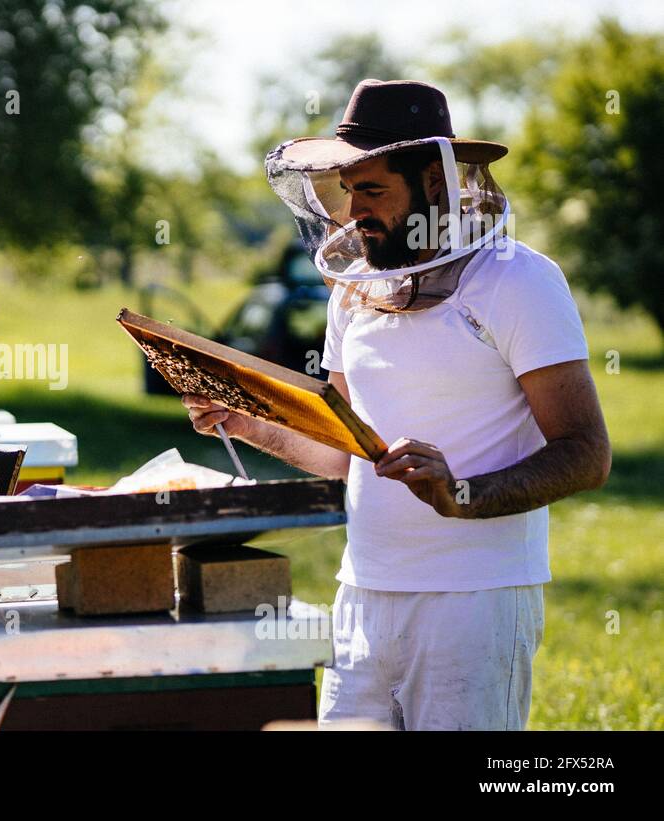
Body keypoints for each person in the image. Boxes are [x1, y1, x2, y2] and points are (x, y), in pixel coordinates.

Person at [185, 79, 611, 730]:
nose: (354, 210)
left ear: (435, 185)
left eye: (373, 189)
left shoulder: (519, 280)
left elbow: (586, 454)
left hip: (473, 601)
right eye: (348, 189)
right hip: (362, 593)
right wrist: (248, 421)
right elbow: (341, 452)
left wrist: (461, 492)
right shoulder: (354, 292)